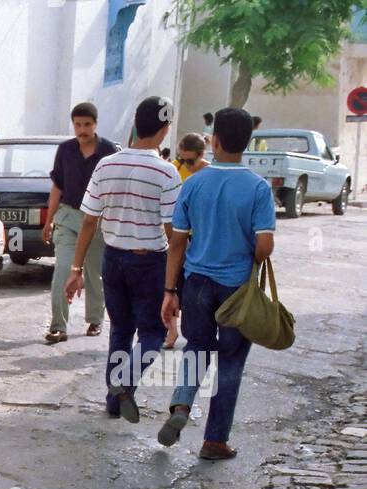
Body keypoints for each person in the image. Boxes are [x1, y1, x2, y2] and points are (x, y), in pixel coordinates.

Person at [159, 107, 275, 460]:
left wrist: (169, 290)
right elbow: (265, 245)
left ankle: (181, 405)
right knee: (230, 360)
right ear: (247, 142)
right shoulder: (258, 187)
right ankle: (214, 441)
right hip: (237, 290)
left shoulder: (193, 183)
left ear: (215, 140)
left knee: (197, 347)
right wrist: (246, 257)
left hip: (195, 284)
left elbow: (176, 242)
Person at [65, 97, 180, 423]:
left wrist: (76, 269)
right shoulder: (166, 172)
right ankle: (124, 384)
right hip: (149, 263)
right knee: (154, 334)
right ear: (165, 129)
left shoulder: (107, 165)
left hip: (112, 260)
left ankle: (114, 402)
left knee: (120, 330)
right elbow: (175, 234)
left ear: (135, 124)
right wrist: (175, 284)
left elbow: (89, 221)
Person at [42, 102, 118, 344]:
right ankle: (58, 326)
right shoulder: (65, 150)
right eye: (78, 125)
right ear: (73, 124)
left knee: (95, 272)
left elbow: (115, 190)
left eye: (87, 124)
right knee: (63, 270)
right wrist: (49, 220)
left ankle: (95, 319)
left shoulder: (109, 151)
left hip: (98, 220)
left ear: (95, 124)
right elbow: (57, 187)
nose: (82, 129)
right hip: (68, 217)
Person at [165, 133, 209, 346]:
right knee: (171, 285)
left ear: (202, 154)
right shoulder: (174, 168)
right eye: (182, 159)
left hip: (199, 238)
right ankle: (171, 331)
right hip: (177, 235)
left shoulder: (209, 174)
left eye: (191, 161)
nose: (186, 165)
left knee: (193, 292)